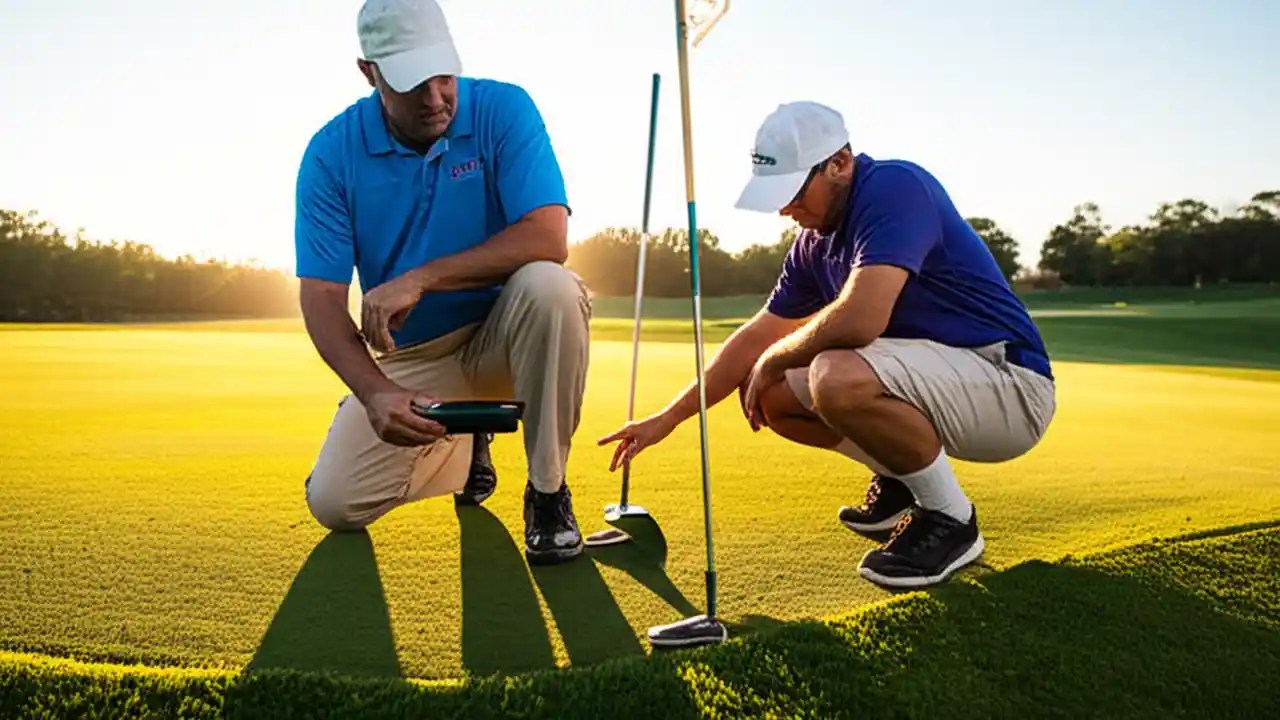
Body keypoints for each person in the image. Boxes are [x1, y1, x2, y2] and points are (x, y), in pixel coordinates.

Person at [600, 101, 1056, 588]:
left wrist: (774, 359)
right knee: (773, 398)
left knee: (833, 375)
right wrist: (667, 418)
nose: (784, 209)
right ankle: (903, 479)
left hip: (1009, 383)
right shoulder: (813, 243)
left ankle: (950, 519)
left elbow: (861, 319)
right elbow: (757, 335)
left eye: (794, 191)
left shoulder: (895, 188)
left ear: (839, 163)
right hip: (949, 380)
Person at [294, 0, 590, 565]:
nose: (435, 100)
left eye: (443, 77)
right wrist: (374, 391)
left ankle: (547, 493)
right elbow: (322, 298)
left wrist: (421, 279)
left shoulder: (505, 108)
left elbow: (548, 238)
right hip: (421, 354)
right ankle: (465, 446)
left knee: (551, 286)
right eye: (412, 85)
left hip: (511, 333)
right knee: (336, 504)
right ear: (370, 72)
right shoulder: (330, 154)